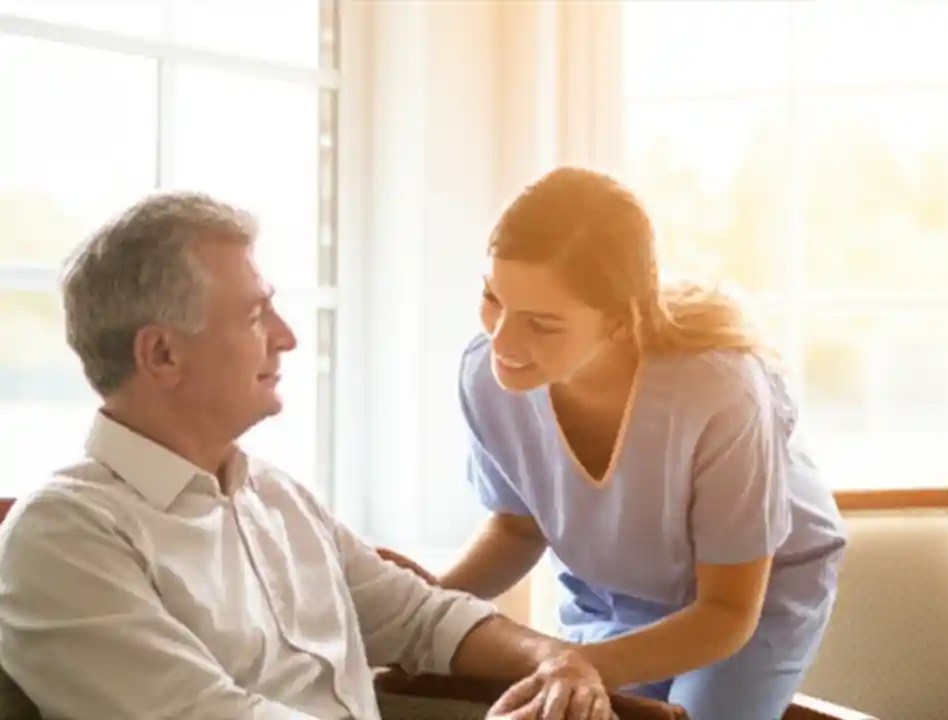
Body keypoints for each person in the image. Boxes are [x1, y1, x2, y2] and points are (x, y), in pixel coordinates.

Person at [0, 192, 611, 720]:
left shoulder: (275, 495)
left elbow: (423, 618)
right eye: (254, 315)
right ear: (161, 355)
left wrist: (557, 660)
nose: (287, 336)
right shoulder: (64, 536)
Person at [437, 167, 848, 719]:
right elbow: (518, 528)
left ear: (620, 321)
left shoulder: (717, 391)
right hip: (611, 590)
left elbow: (727, 609)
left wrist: (584, 664)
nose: (503, 340)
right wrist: (422, 605)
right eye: (493, 298)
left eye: (542, 323)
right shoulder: (486, 377)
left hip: (748, 602)